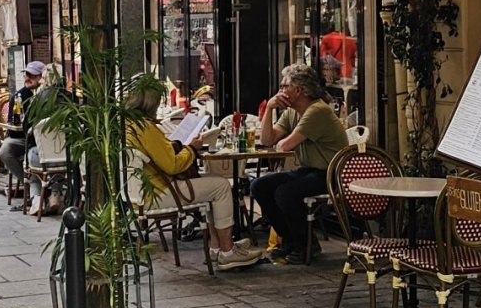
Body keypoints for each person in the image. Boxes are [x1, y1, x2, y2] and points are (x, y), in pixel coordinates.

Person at [129, 81, 259, 269]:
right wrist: (191, 148)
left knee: (211, 185)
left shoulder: (127, 125)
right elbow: (172, 165)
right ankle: (227, 251)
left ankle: (217, 246)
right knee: (221, 186)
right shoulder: (145, 128)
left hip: (140, 194)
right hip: (158, 193)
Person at [253, 64, 349, 262]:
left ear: (298, 90)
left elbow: (285, 145)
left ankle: (307, 244)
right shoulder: (292, 112)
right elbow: (267, 140)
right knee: (260, 186)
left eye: (284, 86)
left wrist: (281, 143)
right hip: (308, 170)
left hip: (330, 173)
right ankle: (289, 240)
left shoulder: (317, 111)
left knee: (285, 193)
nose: (280, 91)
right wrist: (270, 108)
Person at [0, 61, 48, 193]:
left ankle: (48, 188)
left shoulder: (49, 96)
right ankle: (31, 184)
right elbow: (13, 126)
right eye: (26, 74)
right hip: (24, 137)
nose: (27, 78)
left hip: (46, 138)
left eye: (32, 75)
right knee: (5, 150)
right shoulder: (19, 96)